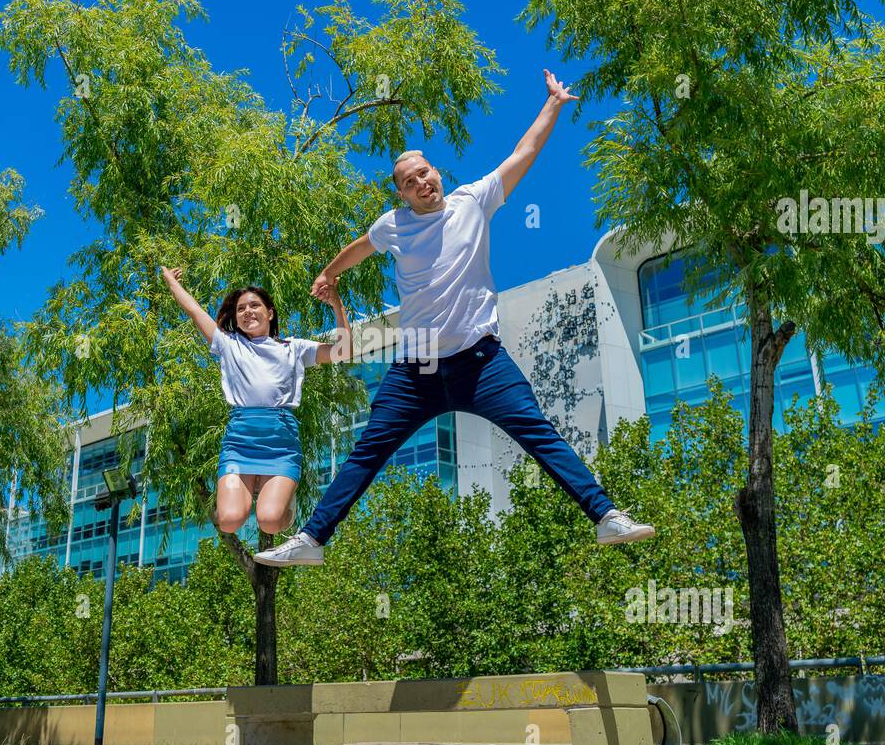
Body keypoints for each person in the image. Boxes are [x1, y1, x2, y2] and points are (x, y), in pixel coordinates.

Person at [257, 69, 655, 567]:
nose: (421, 182)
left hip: (481, 363)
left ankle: (604, 516)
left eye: (424, 172)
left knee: (539, 433)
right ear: (401, 194)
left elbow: (522, 155)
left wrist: (552, 104)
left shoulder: (473, 201)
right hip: (416, 370)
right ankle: (311, 541)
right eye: (409, 181)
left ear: (436, 173)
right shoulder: (393, 226)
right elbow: (359, 247)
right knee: (367, 453)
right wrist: (329, 274)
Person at [159, 265, 351, 537]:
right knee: (228, 520)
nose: (247, 311)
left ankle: (285, 505)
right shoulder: (228, 344)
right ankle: (258, 489)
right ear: (235, 319)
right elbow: (194, 311)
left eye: (254, 305)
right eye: (240, 309)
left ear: (269, 313)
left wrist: (336, 302)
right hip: (240, 442)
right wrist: (172, 283)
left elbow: (343, 351)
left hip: (280, 442)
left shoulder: (293, 347)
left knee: (270, 522)